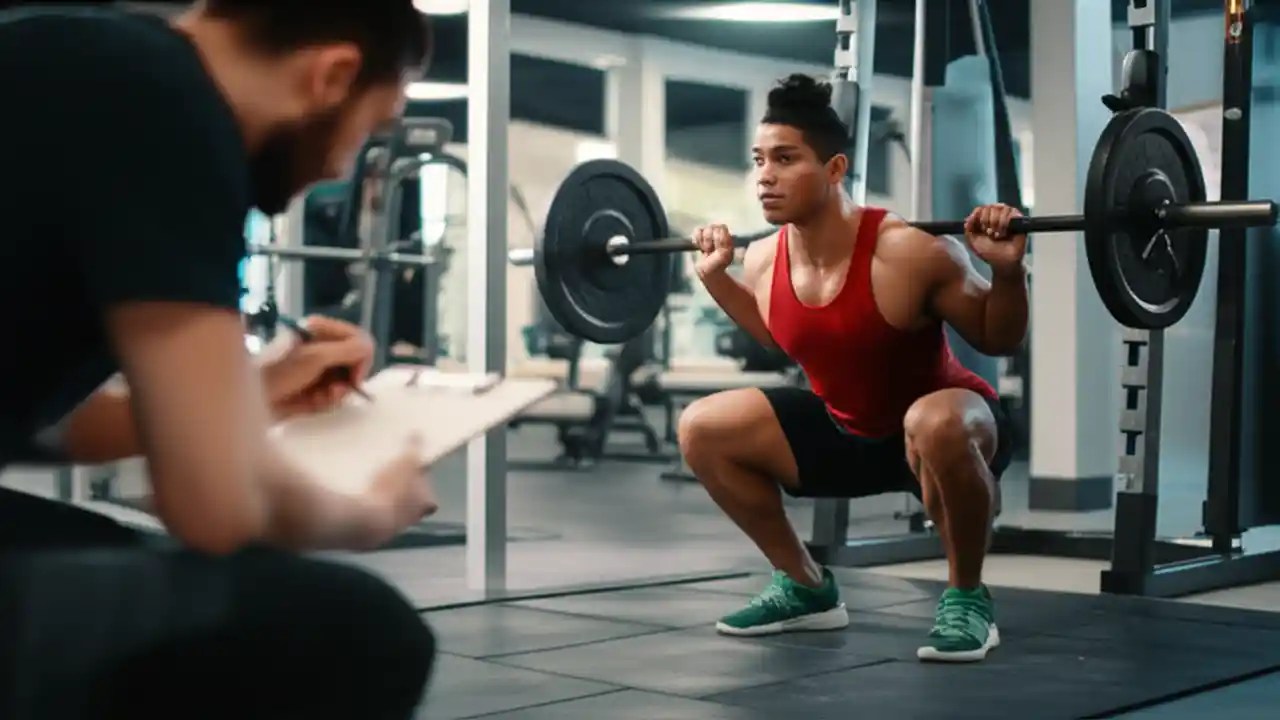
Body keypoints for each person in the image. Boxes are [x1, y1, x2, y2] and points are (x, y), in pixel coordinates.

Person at [0, 2, 440, 718]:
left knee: (117, 555)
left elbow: (36, 424)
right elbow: (218, 509)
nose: (339, 167)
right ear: (334, 74)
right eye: (372, 130)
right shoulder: (171, 110)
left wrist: (256, 390)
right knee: (351, 631)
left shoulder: (74, 54)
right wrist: (370, 509)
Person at [680, 74, 1027, 663]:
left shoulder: (909, 252)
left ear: (835, 168)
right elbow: (778, 336)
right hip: (849, 431)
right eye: (759, 160)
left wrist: (1007, 272)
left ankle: (967, 597)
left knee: (934, 420)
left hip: (948, 426)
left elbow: (998, 337)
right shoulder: (763, 257)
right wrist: (717, 278)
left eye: (786, 159)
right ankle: (806, 587)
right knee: (701, 427)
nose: (765, 175)